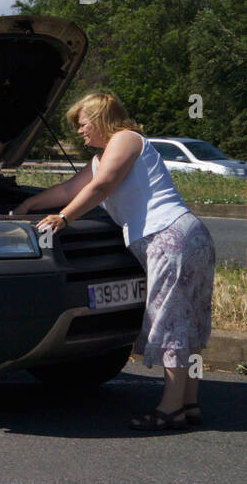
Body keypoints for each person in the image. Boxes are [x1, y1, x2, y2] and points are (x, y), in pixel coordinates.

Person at [12, 92, 216, 431]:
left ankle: (170, 410)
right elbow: (68, 190)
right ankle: (188, 403)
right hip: (185, 236)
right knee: (186, 321)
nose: (79, 132)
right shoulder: (102, 158)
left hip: (169, 237)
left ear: (101, 117)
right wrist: (27, 205)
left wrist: (63, 219)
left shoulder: (125, 139)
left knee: (171, 322)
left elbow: (102, 187)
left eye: (83, 123)